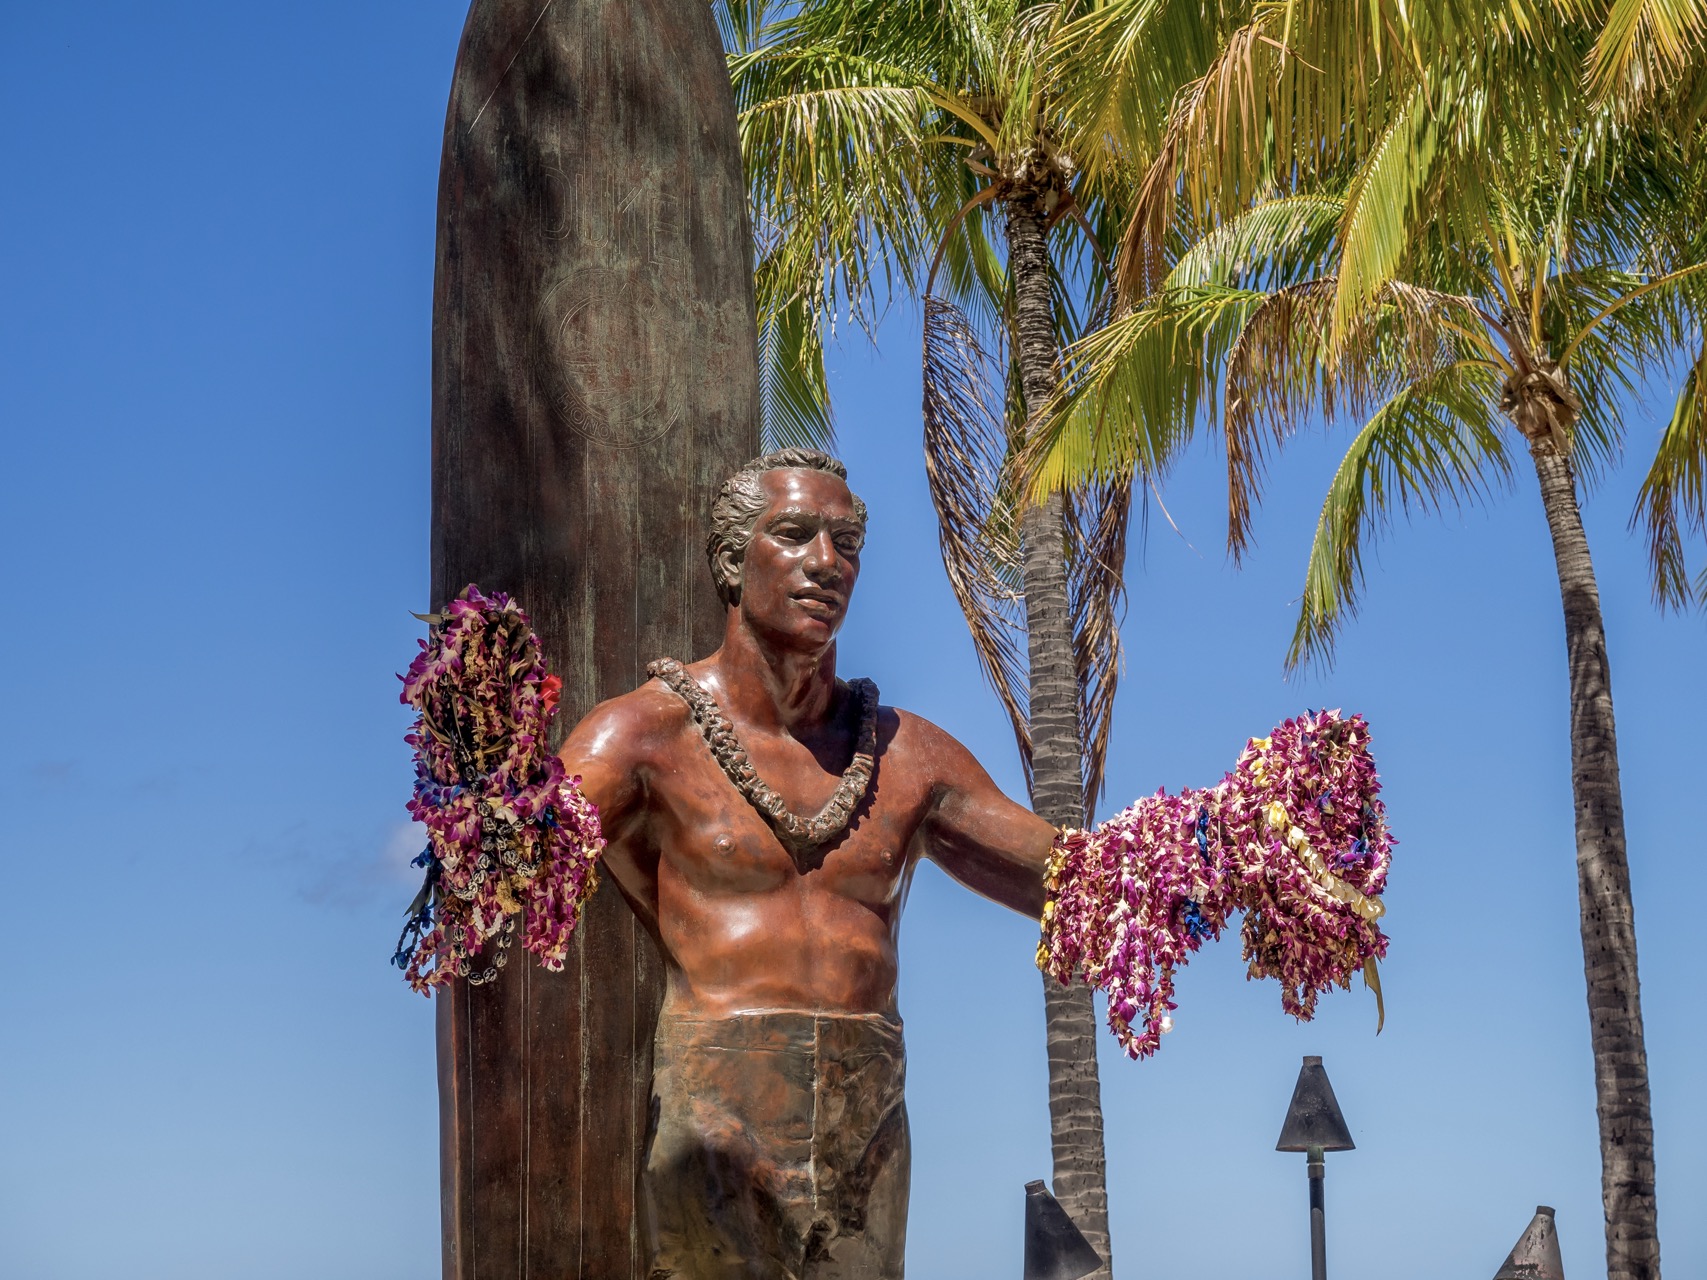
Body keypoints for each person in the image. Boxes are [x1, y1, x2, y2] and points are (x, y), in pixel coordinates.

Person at [558, 448, 1059, 1280]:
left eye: (846, 543)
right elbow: (518, 853)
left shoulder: (907, 755)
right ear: (731, 562)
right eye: (793, 534)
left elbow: (1076, 882)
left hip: (868, 1114)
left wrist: (1234, 846)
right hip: (717, 1113)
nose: (826, 562)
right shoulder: (642, 736)